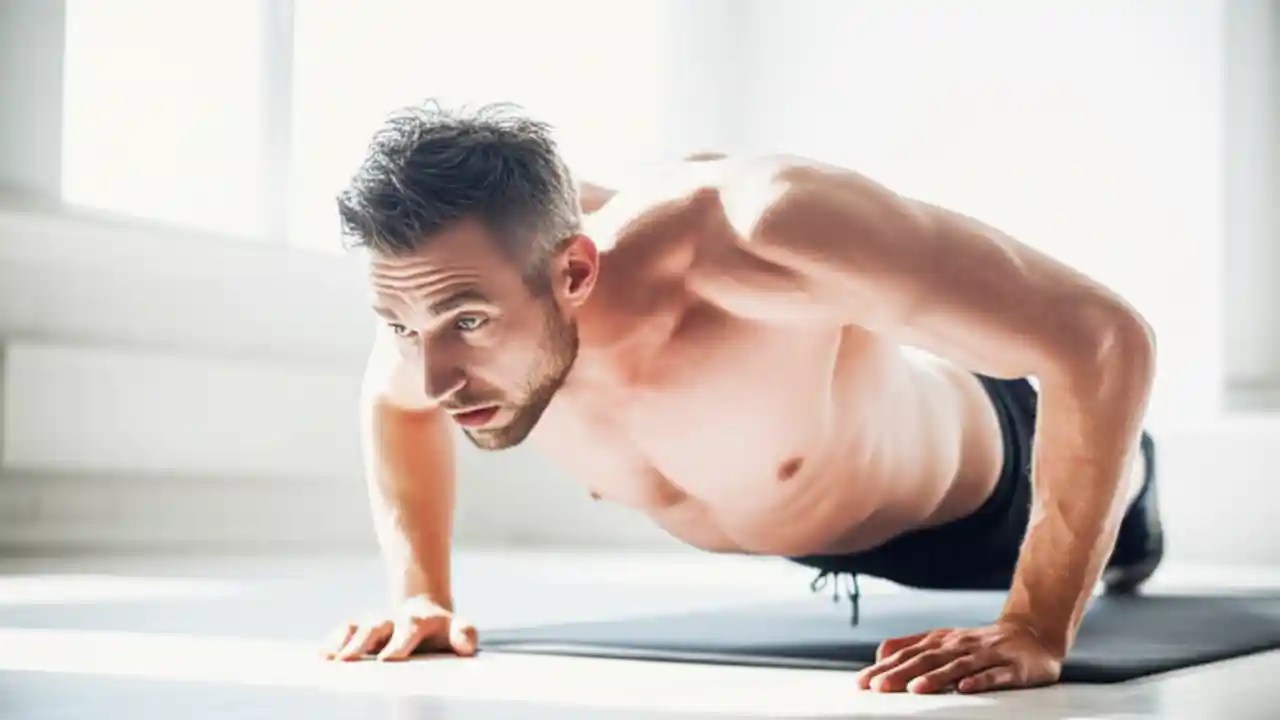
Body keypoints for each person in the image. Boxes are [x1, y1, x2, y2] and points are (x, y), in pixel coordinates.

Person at [320, 100, 1161, 695]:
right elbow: (393, 402)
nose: (432, 377)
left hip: (982, 501)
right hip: (812, 516)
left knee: (1115, 502)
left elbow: (1103, 339)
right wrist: (420, 591)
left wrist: (1038, 624)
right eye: (399, 325)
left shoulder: (760, 232)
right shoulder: (446, 296)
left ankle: (1137, 490)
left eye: (465, 322)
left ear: (574, 271)